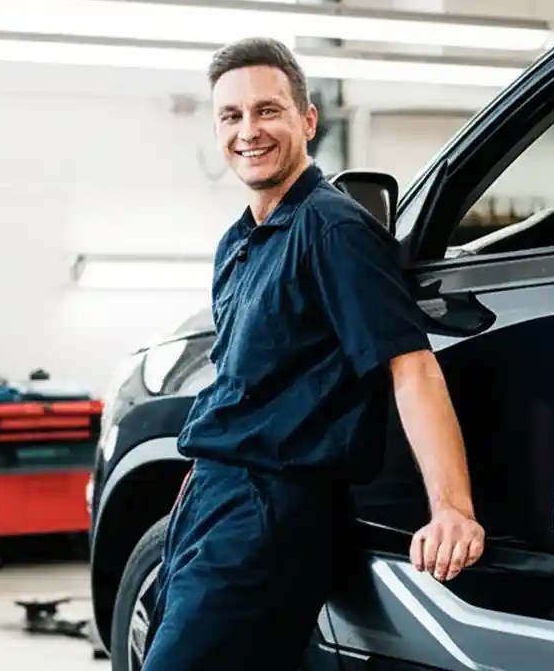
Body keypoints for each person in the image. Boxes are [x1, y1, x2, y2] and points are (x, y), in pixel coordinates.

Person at [141, 37, 486, 670]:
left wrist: (452, 510)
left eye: (267, 111)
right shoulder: (238, 243)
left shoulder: (335, 230)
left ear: (306, 120)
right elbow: (248, 381)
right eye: (232, 115)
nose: (249, 130)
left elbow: (410, 367)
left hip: (269, 511)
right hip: (211, 501)